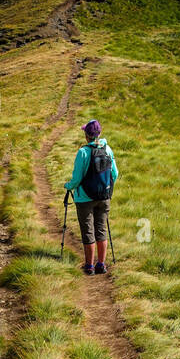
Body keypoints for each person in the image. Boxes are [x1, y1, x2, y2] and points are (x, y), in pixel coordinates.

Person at [65, 118, 119, 275]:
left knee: (88, 231)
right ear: (99, 133)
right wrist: (106, 188)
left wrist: (68, 186)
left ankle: (89, 266)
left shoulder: (83, 152)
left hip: (85, 199)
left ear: (86, 136)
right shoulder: (108, 150)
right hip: (104, 197)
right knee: (101, 230)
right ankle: (101, 264)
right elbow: (115, 174)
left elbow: (76, 179)